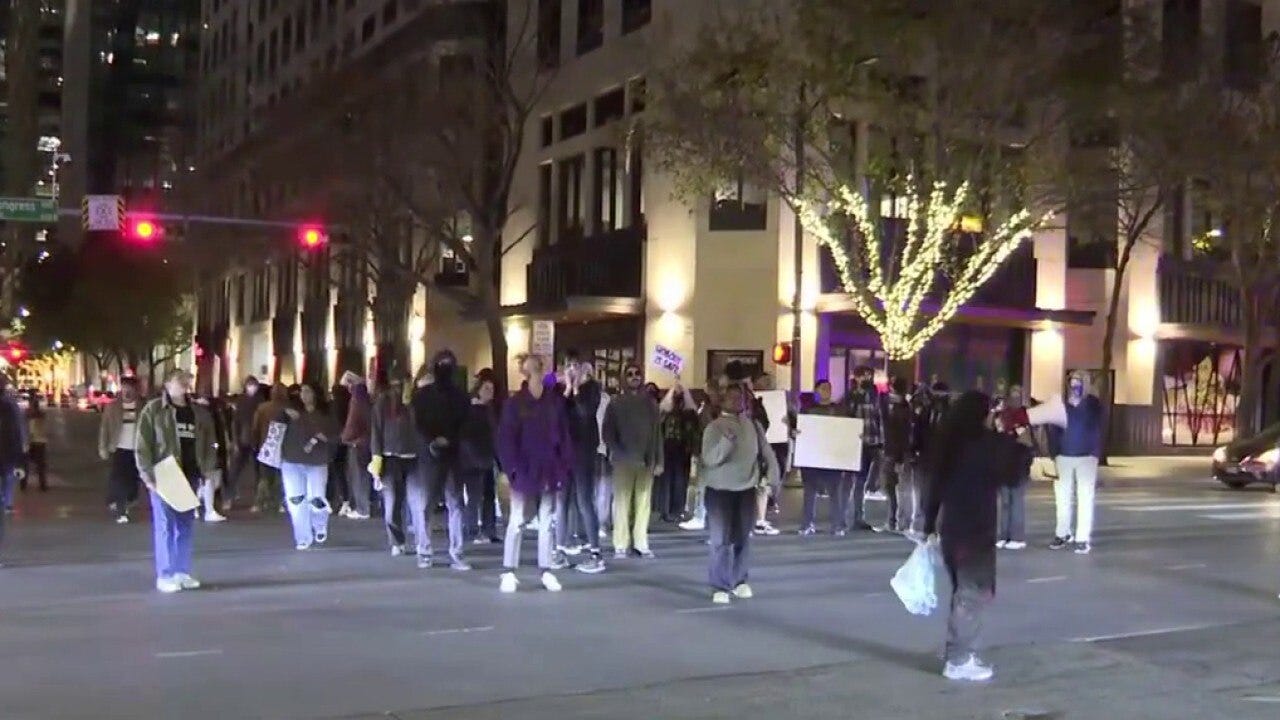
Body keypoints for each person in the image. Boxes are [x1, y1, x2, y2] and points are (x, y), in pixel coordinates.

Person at [923, 390, 1026, 682]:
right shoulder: (986, 444)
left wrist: (928, 525)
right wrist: (1018, 439)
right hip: (976, 531)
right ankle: (958, 659)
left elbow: (935, 487)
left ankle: (958, 652)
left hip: (952, 529)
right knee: (972, 594)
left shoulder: (949, 443)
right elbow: (1014, 475)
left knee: (962, 591)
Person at [135, 370, 217, 593]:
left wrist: (208, 469)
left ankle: (181, 571)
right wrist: (147, 475)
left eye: (186, 381)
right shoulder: (154, 410)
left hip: (190, 473)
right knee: (165, 525)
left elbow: (210, 442)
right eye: (179, 381)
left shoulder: (198, 413)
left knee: (185, 525)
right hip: (165, 473)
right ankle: (165, 573)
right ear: (167, 384)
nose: (184, 385)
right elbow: (143, 445)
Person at [497, 355, 574, 593]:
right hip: (523, 468)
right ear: (525, 373)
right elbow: (506, 439)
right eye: (530, 369)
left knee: (547, 521)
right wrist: (511, 469)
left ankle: (546, 569)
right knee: (517, 520)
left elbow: (564, 436)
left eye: (538, 368)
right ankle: (509, 570)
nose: (535, 373)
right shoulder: (515, 404)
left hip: (549, 468)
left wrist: (564, 466)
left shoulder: (554, 403)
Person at [700, 383, 779, 604]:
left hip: (746, 490)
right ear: (722, 401)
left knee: (743, 537)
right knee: (720, 540)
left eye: (740, 397)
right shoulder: (714, 428)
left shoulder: (753, 425)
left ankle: (739, 581)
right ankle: (719, 585)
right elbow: (710, 459)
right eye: (732, 397)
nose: (737, 401)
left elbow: (767, 452)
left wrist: (773, 477)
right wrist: (727, 442)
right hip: (719, 491)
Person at [410, 350, 472, 571]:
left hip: (449, 454)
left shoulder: (456, 396)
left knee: (452, 504)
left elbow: (465, 424)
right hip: (433, 454)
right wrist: (436, 439)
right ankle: (426, 551)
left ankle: (453, 552)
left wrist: (443, 439)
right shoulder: (426, 396)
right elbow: (418, 423)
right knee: (429, 504)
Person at [602, 361, 663, 559]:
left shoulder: (651, 404)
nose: (634, 377)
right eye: (630, 374)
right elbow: (607, 433)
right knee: (621, 503)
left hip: (646, 460)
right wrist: (617, 452)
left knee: (643, 503)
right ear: (624, 378)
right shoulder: (615, 403)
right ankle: (620, 543)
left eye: (637, 373)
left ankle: (641, 543)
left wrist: (659, 460)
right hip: (623, 461)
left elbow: (657, 434)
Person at [370, 373, 427, 560]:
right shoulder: (383, 403)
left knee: (418, 503)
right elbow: (376, 433)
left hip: (414, 459)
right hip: (390, 459)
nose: (401, 387)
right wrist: (376, 461)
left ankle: (422, 543)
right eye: (398, 384)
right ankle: (397, 541)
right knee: (392, 504)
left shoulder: (416, 403)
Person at [278, 382, 340, 550]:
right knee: (296, 500)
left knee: (316, 498)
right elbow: (275, 423)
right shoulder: (291, 412)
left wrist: (325, 438)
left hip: (317, 461)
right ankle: (303, 537)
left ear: (315, 394)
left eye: (307, 391)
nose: (303, 395)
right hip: (291, 460)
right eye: (302, 391)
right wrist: (284, 414)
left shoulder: (325, 414)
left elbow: (335, 435)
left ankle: (319, 524)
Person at [1047, 372, 1104, 555]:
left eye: (1079, 382)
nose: (1075, 386)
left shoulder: (1093, 404)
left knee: (1085, 498)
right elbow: (1053, 429)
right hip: (1063, 456)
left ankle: (1082, 538)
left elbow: (1099, 428)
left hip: (1086, 457)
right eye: (1072, 382)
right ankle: (1062, 534)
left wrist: (1095, 452)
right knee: (1062, 498)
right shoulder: (1062, 405)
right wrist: (1054, 453)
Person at [559, 360, 607, 573]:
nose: (572, 371)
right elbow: (558, 412)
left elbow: (585, 412)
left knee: (584, 501)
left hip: (584, 452)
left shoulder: (592, 390)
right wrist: (568, 388)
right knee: (562, 501)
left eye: (576, 367)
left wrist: (577, 388)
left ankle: (595, 553)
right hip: (564, 452)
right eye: (569, 367)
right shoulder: (563, 391)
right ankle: (559, 550)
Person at [795, 379, 852, 535]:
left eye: (828, 388)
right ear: (816, 391)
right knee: (810, 492)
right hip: (812, 457)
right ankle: (807, 523)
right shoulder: (808, 410)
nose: (826, 391)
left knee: (835, 492)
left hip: (832, 457)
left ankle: (837, 525)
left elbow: (847, 430)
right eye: (823, 388)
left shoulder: (839, 410)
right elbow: (800, 428)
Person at [458, 373, 500, 544]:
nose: (490, 392)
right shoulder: (472, 410)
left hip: (487, 457)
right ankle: (472, 530)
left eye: (492, 389)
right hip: (474, 459)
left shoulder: (489, 410)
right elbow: (468, 436)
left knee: (489, 495)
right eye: (487, 388)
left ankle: (489, 530)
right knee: (475, 496)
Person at [842, 366, 883, 532]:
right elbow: (846, 415)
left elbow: (880, 418)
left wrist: (881, 441)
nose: (866, 379)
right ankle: (850, 516)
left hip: (873, 441)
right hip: (856, 443)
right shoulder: (851, 396)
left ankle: (859, 515)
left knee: (864, 480)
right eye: (863, 376)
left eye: (869, 376)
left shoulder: (875, 395)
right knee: (853, 481)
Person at [99, 377, 143, 523]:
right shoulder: (112, 407)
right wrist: (103, 447)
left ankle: (128, 500)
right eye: (124, 388)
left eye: (130, 389)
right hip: (118, 448)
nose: (127, 392)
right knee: (119, 480)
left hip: (137, 450)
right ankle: (121, 509)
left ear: (135, 390)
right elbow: (105, 428)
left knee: (133, 480)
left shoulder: (143, 407)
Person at [995, 386, 1035, 550]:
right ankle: (1003, 535)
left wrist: (1011, 431)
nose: (1014, 398)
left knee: (1016, 502)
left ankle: (1017, 537)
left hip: (1018, 464)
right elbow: (994, 433)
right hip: (1003, 464)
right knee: (1005, 502)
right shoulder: (1001, 415)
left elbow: (1025, 441)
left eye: (1017, 395)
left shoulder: (1023, 415)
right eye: (1012, 395)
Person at [656, 380, 699, 523]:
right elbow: (659, 431)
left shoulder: (690, 414)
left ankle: (677, 510)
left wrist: (693, 449)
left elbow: (694, 433)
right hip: (667, 449)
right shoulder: (664, 413)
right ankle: (666, 510)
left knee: (680, 481)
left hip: (682, 450)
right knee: (667, 481)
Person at [880, 376, 916, 534]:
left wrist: (899, 457)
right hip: (896, 452)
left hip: (894, 452)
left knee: (895, 488)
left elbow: (900, 433)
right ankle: (897, 521)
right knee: (896, 488)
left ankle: (898, 521)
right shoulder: (903, 406)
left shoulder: (899, 408)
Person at [251, 384, 291, 514]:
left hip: (266, 445)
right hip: (283, 446)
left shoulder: (262, 408)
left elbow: (255, 427)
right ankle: (279, 503)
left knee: (264, 477)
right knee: (280, 476)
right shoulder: (288, 408)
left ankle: (259, 503)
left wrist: (255, 443)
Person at [338, 372, 373, 520]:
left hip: (357, 443)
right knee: (365, 475)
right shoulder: (367, 398)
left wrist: (345, 437)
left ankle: (362, 509)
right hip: (368, 441)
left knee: (358, 476)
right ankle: (365, 505)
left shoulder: (356, 400)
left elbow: (353, 421)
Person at [228, 376, 264, 511]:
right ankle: (231, 497)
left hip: (252, 439)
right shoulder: (247, 401)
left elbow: (235, 422)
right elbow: (236, 422)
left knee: (253, 471)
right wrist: (235, 440)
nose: (252, 388)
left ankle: (257, 500)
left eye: (254, 385)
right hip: (247, 439)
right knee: (238, 470)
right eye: (250, 385)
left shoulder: (256, 400)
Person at [0, 378, 25, 560]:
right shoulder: (10, 407)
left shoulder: (9, 408)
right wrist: (19, 462)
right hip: (6, 459)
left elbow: (16, 434)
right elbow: (17, 434)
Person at [24, 393, 48, 492]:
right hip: (32, 441)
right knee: (25, 464)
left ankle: (42, 484)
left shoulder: (39, 414)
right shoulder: (30, 414)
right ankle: (24, 482)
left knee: (38, 464)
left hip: (38, 441)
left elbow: (35, 414)